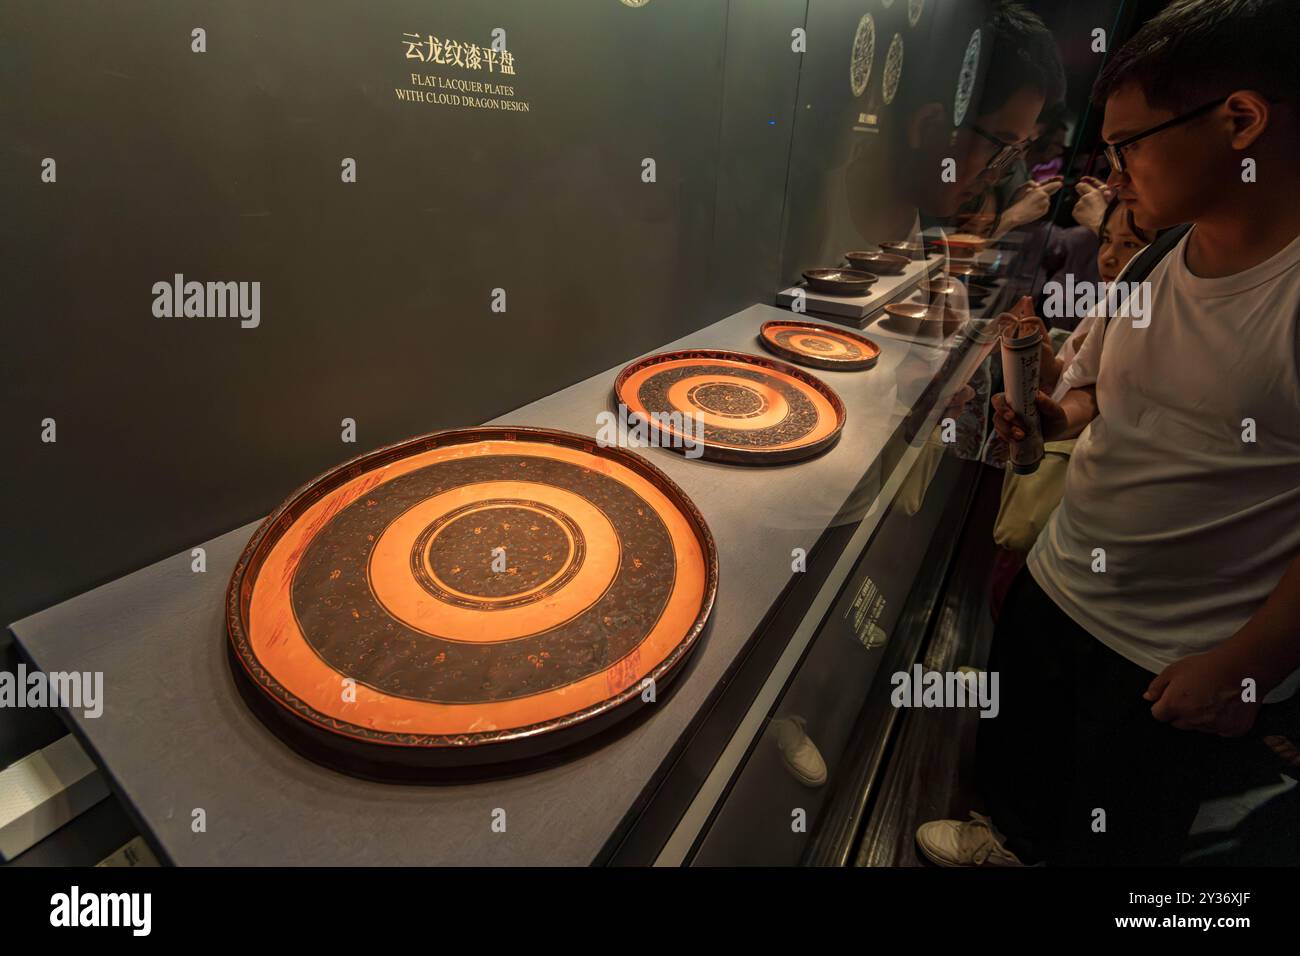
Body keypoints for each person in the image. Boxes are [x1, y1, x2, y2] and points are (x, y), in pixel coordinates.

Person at [917, 0, 1300, 867]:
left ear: (1240, 119)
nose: (1111, 170)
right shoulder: (1165, 253)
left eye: (1130, 144)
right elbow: (1100, 397)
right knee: (1021, 786)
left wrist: (1249, 662)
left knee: (1119, 840)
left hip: (1169, 657)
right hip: (1061, 586)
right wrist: (1053, 411)